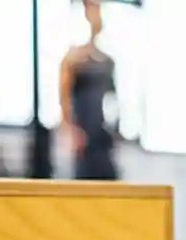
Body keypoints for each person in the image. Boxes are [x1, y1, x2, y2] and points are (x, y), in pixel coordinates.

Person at [59, 0, 118, 180]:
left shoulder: (107, 61)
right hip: (82, 137)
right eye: (91, 8)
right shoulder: (72, 60)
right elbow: (64, 98)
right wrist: (70, 131)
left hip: (101, 135)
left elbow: (112, 100)